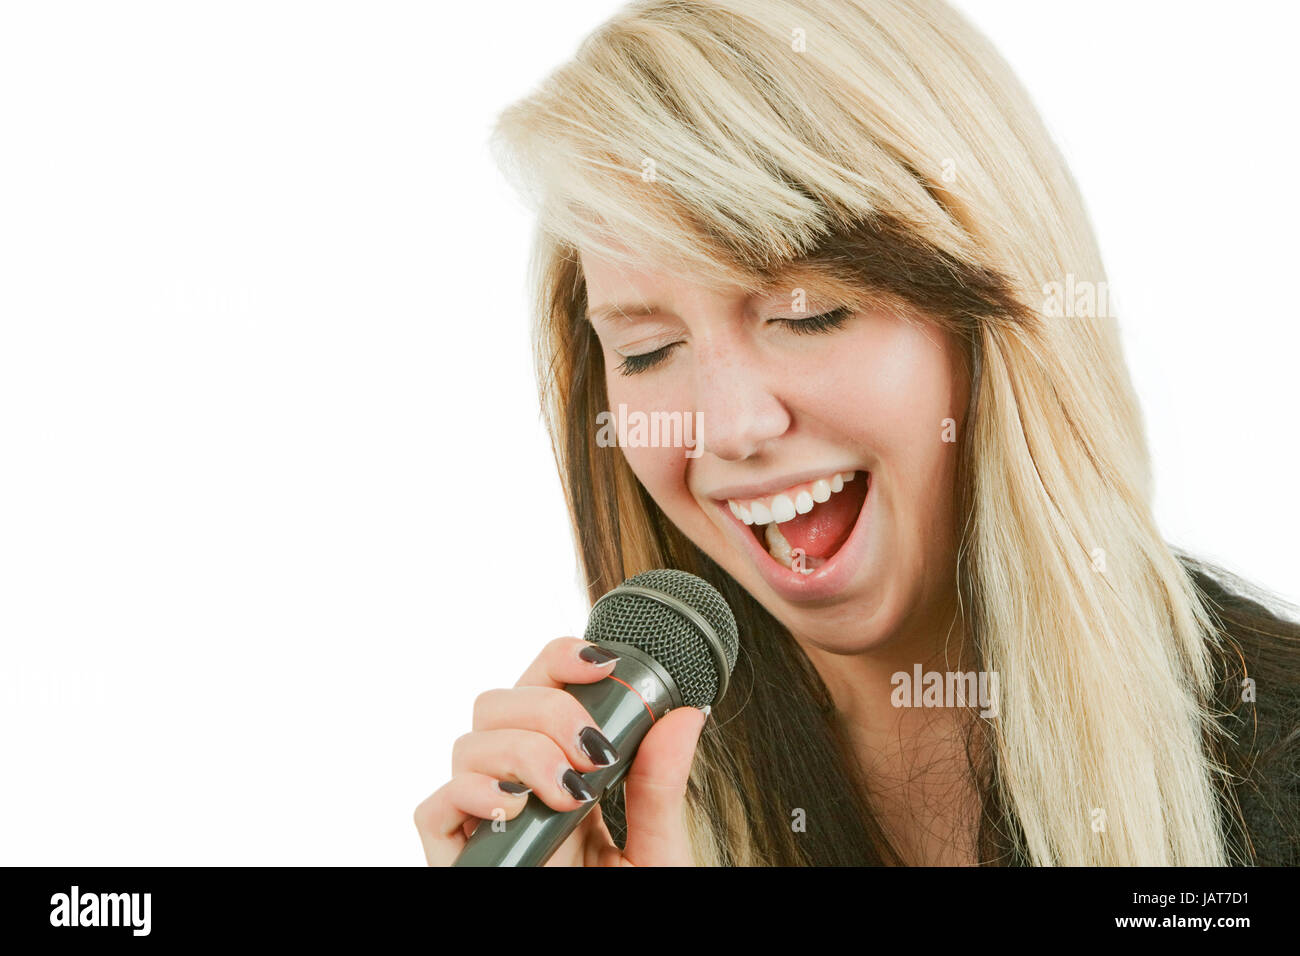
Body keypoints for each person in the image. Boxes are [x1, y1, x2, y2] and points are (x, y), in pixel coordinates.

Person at [414, 0, 1300, 866]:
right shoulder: (607, 823)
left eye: (813, 314)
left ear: (995, 325)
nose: (729, 427)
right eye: (649, 352)